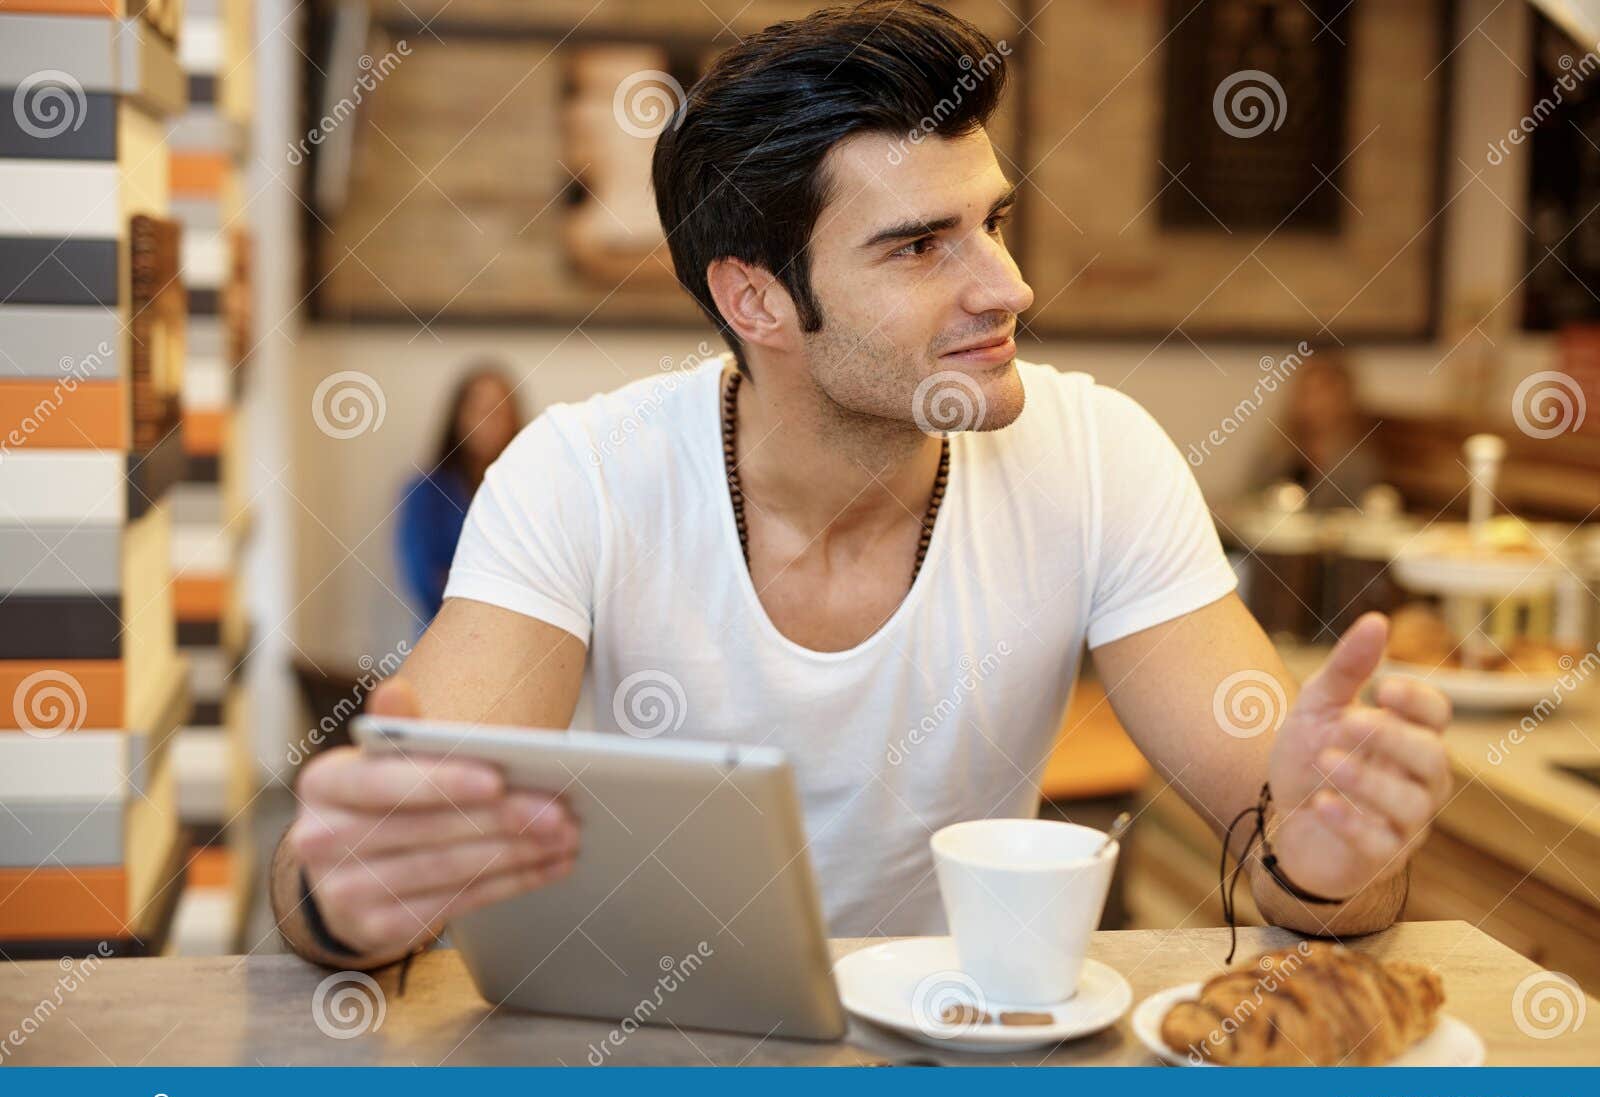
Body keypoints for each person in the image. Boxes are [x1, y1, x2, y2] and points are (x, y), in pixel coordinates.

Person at [272, 2, 1452, 971]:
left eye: (990, 222)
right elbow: (382, 853)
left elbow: (1299, 864)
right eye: (918, 245)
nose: (1008, 286)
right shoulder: (580, 476)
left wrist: (1333, 857)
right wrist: (343, 893)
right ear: (757, 300)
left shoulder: (1099, 458)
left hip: (945, 1073)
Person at [395, 364, 524, 623]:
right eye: (481, 411)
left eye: (499, 412)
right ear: (458, 417)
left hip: (515, 639)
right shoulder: (424, 493)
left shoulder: (528, 491)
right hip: (443, 634)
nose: (490, 423)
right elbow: (426, 581)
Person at [1256, 356, 1383, 509]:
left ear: (1343, 400)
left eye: (1324, 394)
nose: (1314, 404)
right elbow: (1251, 498)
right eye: (1307, 393)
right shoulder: (1278, 452)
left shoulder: (1357, 463)